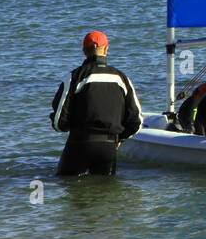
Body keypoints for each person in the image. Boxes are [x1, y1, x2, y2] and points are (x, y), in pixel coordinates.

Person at [50, 30, 142, 176]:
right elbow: (136, 120)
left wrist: (65, 128)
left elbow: (59, 120)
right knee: (106, 193)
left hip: (79, 144)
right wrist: (120, 138)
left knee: (68, 186)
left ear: (84, 51)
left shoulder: (74, 77)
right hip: (109, 147)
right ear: (106, 49)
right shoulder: (122, 78)